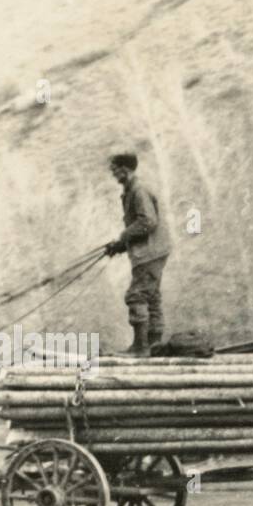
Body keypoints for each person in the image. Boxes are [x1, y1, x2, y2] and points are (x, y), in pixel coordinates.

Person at [105, 152, 172, 356]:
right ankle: (153, 346)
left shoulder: (138, 190)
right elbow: (142, 225)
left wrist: (124, 236)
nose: (113, 174)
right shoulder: (132, 190)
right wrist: (120, 246)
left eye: (114, 169)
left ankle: (140, 347)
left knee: (137, 295)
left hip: (149, 252)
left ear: (124, 169)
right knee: (151, 296)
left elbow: (148, 222)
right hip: (152, 250)